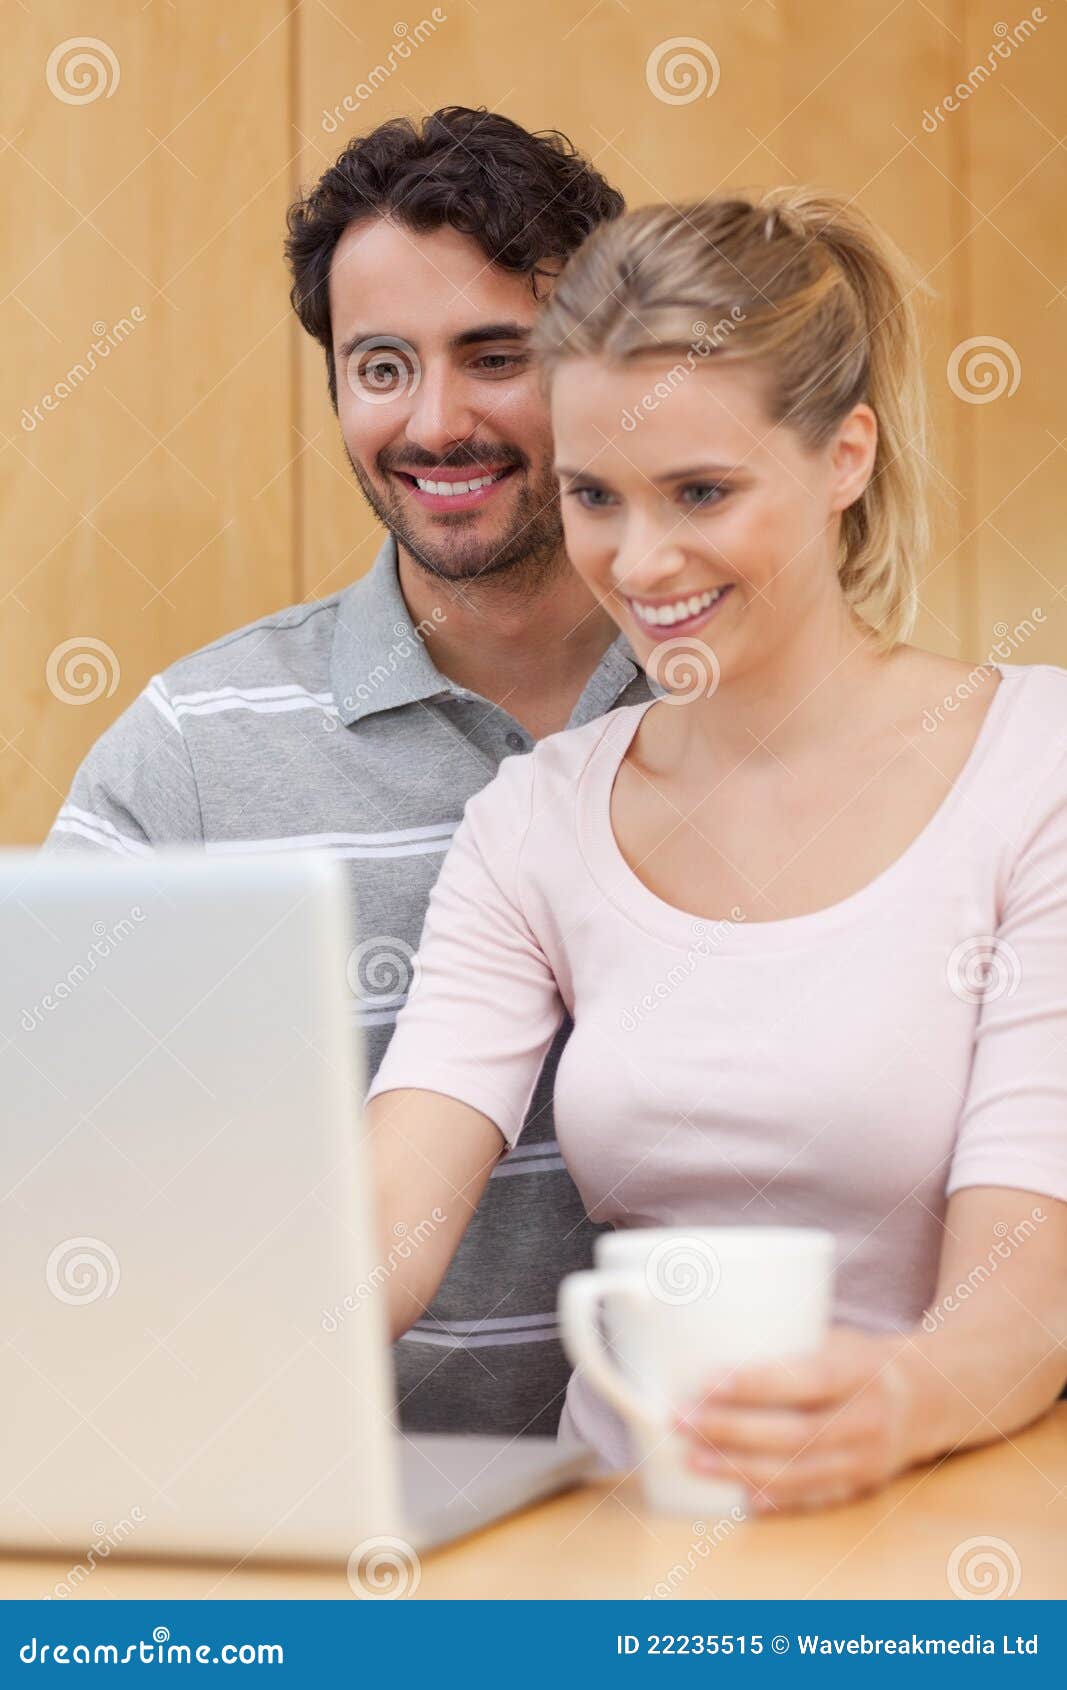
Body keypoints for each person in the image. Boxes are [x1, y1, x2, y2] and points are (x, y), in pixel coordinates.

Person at [364, 187, 1067, 1511]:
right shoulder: (534, 821)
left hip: (932, 1525)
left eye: (701, 492)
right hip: (630, 1535)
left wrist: (897, 1401)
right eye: (594, 495)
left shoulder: (1036, 768)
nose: (641, 562)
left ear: (845, 457)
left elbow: (1026, 1298)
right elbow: (387, 1220)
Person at [41, 106, 654, 1441]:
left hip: (708, 1500)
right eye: (382, 367)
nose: (436, 422)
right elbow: (53, 1166)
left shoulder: (745, 709)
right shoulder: (192, 751)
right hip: (330, 1495)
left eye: (497, 357)